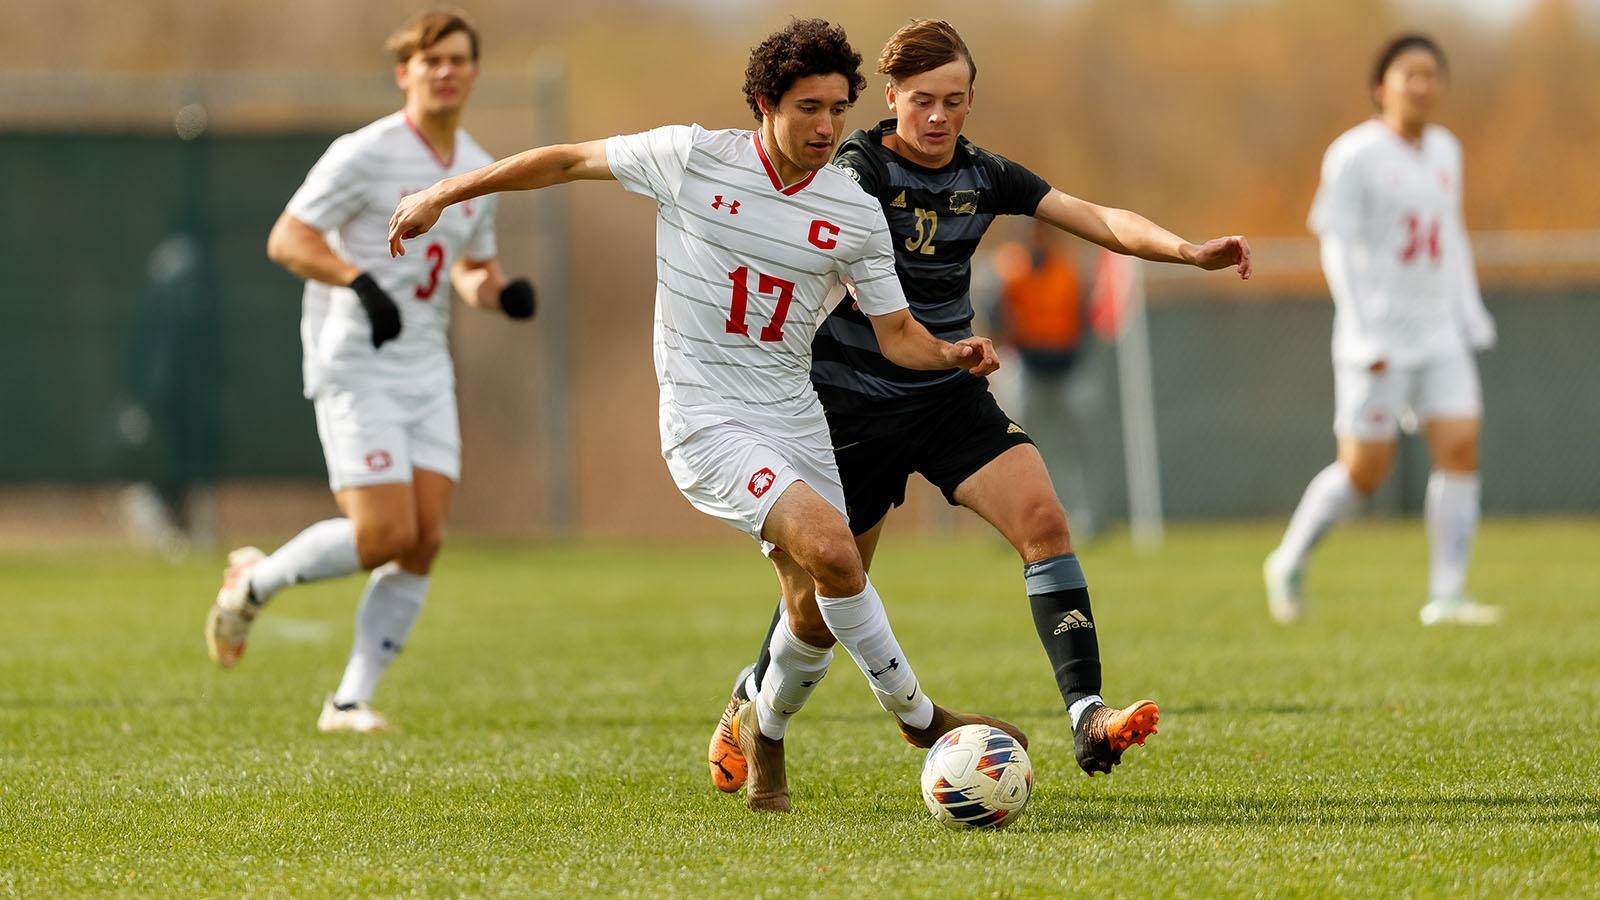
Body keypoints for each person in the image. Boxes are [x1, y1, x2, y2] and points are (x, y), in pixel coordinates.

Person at [386, 18, 1022, 814]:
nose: (827, 127)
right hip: (705, 416)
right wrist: (441, 193)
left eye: (836, 109)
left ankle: (767, 733)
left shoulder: (854, 213)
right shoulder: (691, 157)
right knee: (836, 551)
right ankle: (923, 721)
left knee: (812, 612)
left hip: (793, 414)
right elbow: (564, 159)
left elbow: (899, 336)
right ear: (764, 103)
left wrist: (951, 353)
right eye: (806, 108)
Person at [711, 19, 1252, 787]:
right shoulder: (853, 170)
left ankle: (1087, 713)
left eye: (955, 101)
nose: (937, 117)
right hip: (847, 411)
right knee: (818, 608)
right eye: (923, 100)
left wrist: (1187, 250)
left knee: (1043, 520)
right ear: (891, 97)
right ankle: (754, 702)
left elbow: (1093, 216)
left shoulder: (982, 173)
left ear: (971, 103)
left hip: (948, 393)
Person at [204, 9, 538, 732]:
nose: (445, 71)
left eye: (457, 59)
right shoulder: (364, 153)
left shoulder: (475, 166)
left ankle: (348, 700)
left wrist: (499, 294)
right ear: (405, 73)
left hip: (425, 369)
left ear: (475, 73)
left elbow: (471, 269)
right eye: (430, 60)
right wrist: (358, 283)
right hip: (355, 361)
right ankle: (252, 580)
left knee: (425, 539)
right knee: (383, 534)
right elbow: (288, 238)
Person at [1264, 34, 1498, 627]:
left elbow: (1452, 238)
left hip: (1440, 328)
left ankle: (1447, 595)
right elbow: (1336, 245)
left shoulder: (1446, 149)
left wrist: (1469, 311)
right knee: (1366, 470)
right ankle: (1288, 559)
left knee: (1461, 447)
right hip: (1379, 334)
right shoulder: (1354, 154)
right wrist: (1364, 329)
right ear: (1381, 86)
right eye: (1408, 74)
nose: (1421, 85)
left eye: (1430, 74)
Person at [988, 219, 1100, 541]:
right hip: (1025, 365)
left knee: (1077, 444)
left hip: (1066, 366)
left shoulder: (1065, 268)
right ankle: (1009, 524)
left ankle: (1084, 521)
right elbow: (995, 313)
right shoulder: (1009, 268)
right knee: (1011, 443)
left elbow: (1083, 315)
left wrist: (1078, 352)